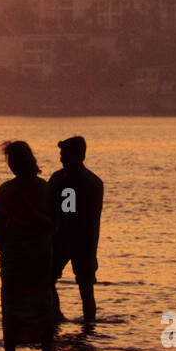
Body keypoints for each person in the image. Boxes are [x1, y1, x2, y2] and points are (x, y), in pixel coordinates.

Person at [0, 141, 55, 351]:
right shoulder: (46, 188)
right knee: (41, 305)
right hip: (40, 254)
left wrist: (4, 252)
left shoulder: (7, 190)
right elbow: (57, 223)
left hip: (17, 256)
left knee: (13, 306)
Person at [48, 135, 104, 323]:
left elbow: (72, 214)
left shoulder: (86, 182)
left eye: (64, 154)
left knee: (85, 287)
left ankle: (81, 322)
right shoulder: (63, 178)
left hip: (76, 242)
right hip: (69, 241)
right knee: (52, 282)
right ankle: (61, 318)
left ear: (77, 156)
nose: (61, 158)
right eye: (61, 154)